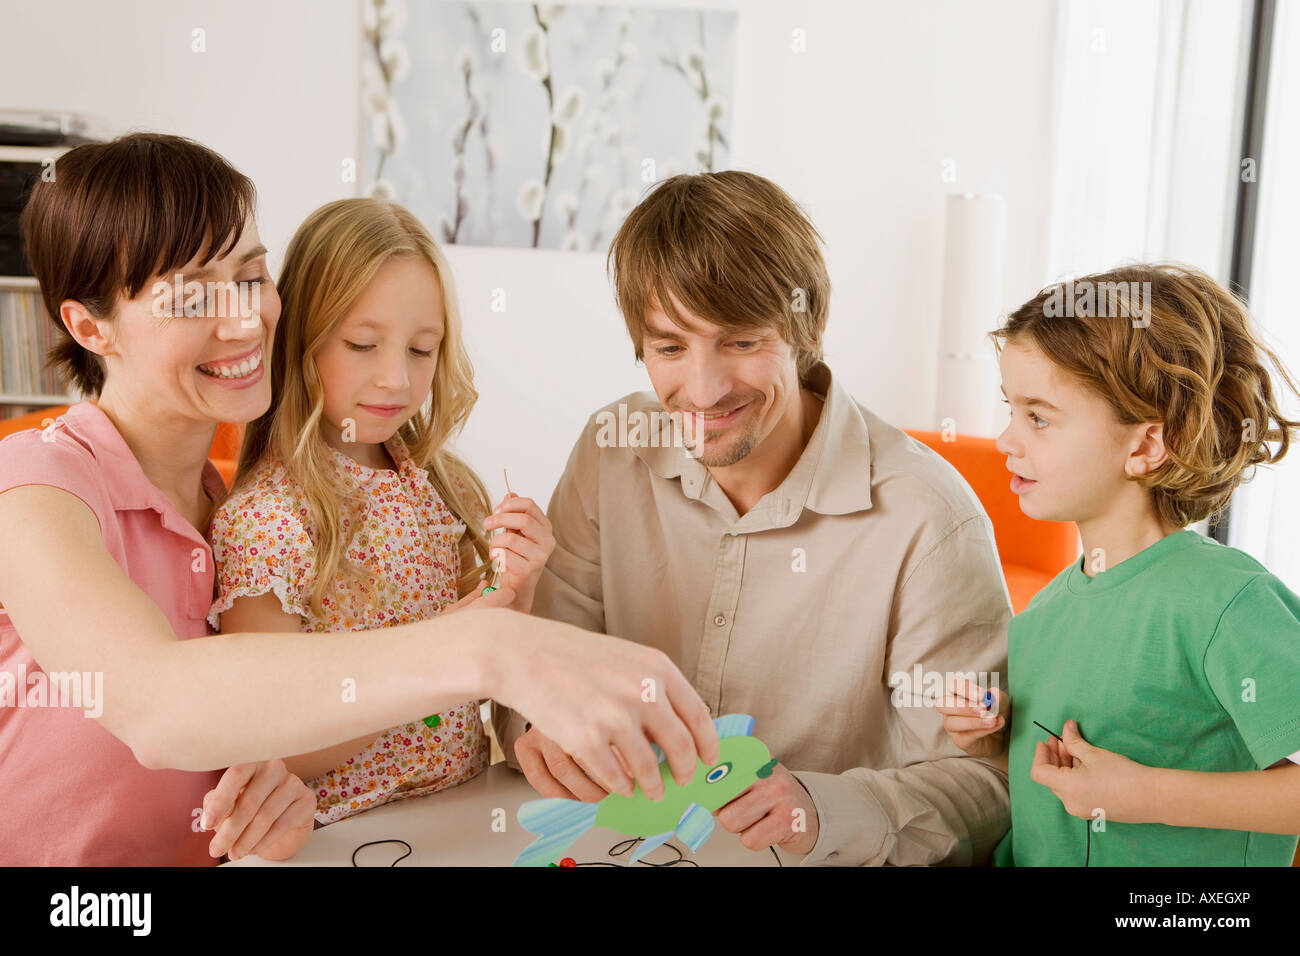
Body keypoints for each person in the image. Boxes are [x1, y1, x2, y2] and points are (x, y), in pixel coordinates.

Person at [0, 132, 717, 866]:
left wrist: (276, 806)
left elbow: (247, 763)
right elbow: (151, 704)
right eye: (191, 297)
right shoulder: (32, 487)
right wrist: (487, 645)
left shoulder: (222, 502)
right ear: (89, 327)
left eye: (251, 276)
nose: (246, 321)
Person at [495, 171, 1013, 865]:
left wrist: (820, 808)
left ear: (805, 330)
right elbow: (544, 670)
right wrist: (543, 721)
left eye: (740, 342)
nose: (704, 391)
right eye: (671, 348)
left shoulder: (928, 516)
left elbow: (985, 785)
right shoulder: (610, 451)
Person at [208, 197, 555, 825]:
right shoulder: (268, 521)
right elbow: (268, 743)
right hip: (342, 837)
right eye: (363, 344)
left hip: (461, 818)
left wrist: (517, 601)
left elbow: (485, 695)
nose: (396, 378)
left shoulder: (448, 491)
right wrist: (442, 656)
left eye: (422, 350)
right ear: (301, 340)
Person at [944, 262, 1300, 865]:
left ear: (1145, 446)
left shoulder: (1228, 602)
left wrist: (1143, 794)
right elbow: (1064, 791)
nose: (1006, 440)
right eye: (1010, 410)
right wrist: (991, 742)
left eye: (1038, 416)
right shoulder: (1042, 615)